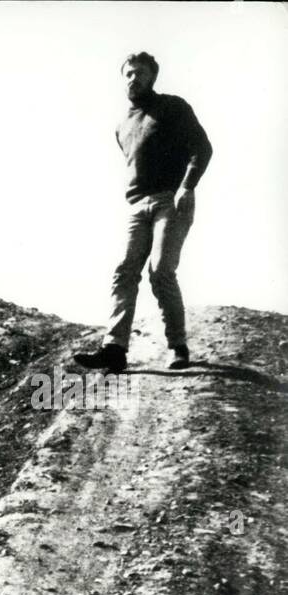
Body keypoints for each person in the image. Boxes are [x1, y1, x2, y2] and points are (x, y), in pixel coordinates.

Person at [74, 52, 213, 373]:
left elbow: (202, 148)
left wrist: (187, 186)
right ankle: (114, 349)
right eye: (128, 74)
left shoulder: (173, 107)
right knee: (124, 271)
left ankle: (178, 346)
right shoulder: (122, 126)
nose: (133, 78)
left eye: (139, 73)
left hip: (170, 201)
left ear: (152, 77)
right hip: (137, 206)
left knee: (161, 270)